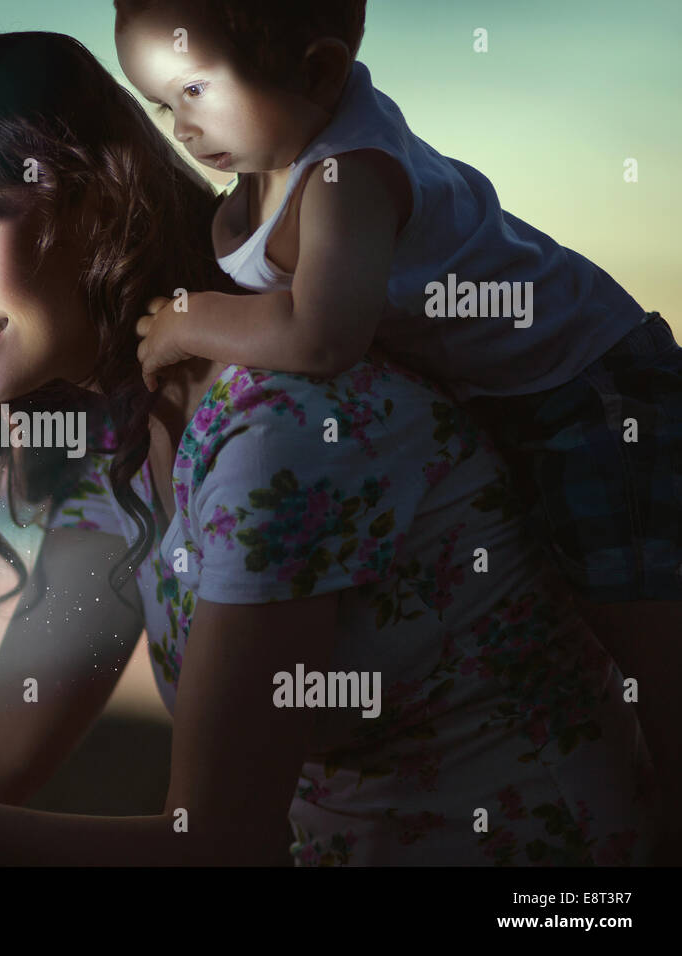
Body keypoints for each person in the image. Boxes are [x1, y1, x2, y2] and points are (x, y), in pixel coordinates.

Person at [0, 29, 660, 865]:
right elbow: (5, 736)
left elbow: (218, 846)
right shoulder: (123, 443)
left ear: (92, 198)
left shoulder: (279, 429)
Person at [113, 0, 682, 848]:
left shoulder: (349, 176)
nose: (181, 127)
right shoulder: (276, 156)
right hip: (507, 401)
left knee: (641, 631)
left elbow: (322, 336)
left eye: (196, 90)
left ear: (319, 72)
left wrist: (191, 319)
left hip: (589, 391)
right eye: (161, 103)